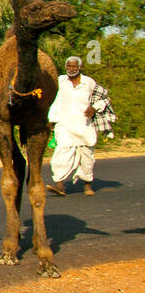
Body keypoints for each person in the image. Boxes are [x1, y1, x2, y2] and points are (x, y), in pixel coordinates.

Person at [46, 56, 109, 196]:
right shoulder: (61, 81)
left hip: (84, 125)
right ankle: (60, 185)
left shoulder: (89, 83)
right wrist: (51, 119)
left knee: (87, 157)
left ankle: (87, 185)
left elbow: (104, 98)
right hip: (64, 125)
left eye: (74, 66)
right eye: (69, 66)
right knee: (61, 153)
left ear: (79, 67)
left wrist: (94, 108)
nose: (71, 69)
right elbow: (53, 98)